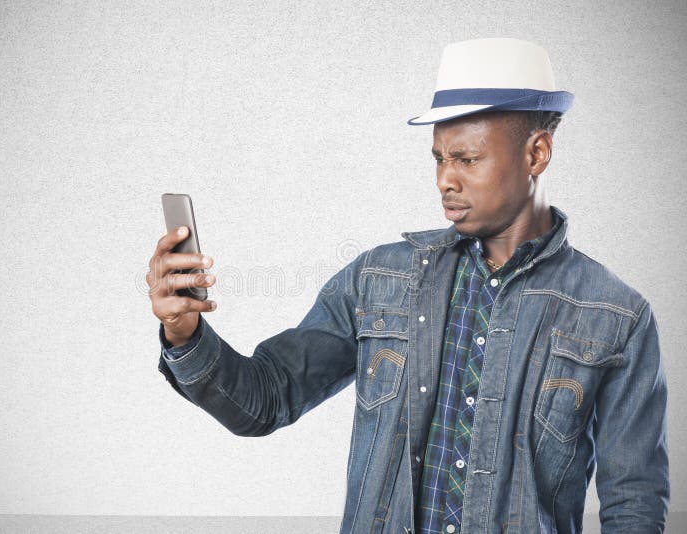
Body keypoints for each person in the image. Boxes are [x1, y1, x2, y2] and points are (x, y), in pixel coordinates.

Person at [147, 38, 669, 533]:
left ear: (537, 154)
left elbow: (634, 502)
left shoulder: (616, 316)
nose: (446, 179)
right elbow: (265, 400)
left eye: (466, 159)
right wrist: (184, 332)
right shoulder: (379, 281)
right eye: (440, 158)